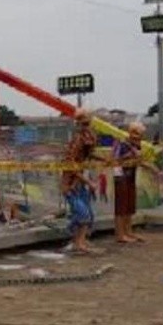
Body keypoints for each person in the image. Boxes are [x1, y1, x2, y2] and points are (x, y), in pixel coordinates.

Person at [62, 109, 100, 254]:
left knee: (87, 214)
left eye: (88, 124)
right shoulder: (77, 142)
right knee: (83, 214)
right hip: (71, 184)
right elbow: (73, 169)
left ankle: (80, 241)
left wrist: (107, 160)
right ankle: (78, 242)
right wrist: (89, 182)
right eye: (84, 124)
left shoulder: (85, 139)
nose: (87, 127)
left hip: (79, 184)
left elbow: (90, 155)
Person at [112, 122, 147, 244]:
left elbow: (140, 160)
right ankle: (120, 234)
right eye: (137, 134)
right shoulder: (122, 143)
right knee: (121, 206)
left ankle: (128, 231)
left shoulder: (137, 145)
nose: (139, 137)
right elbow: (115, 159)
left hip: (131, 175)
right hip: (121, 176)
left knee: (129, 205)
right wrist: (130, 154)